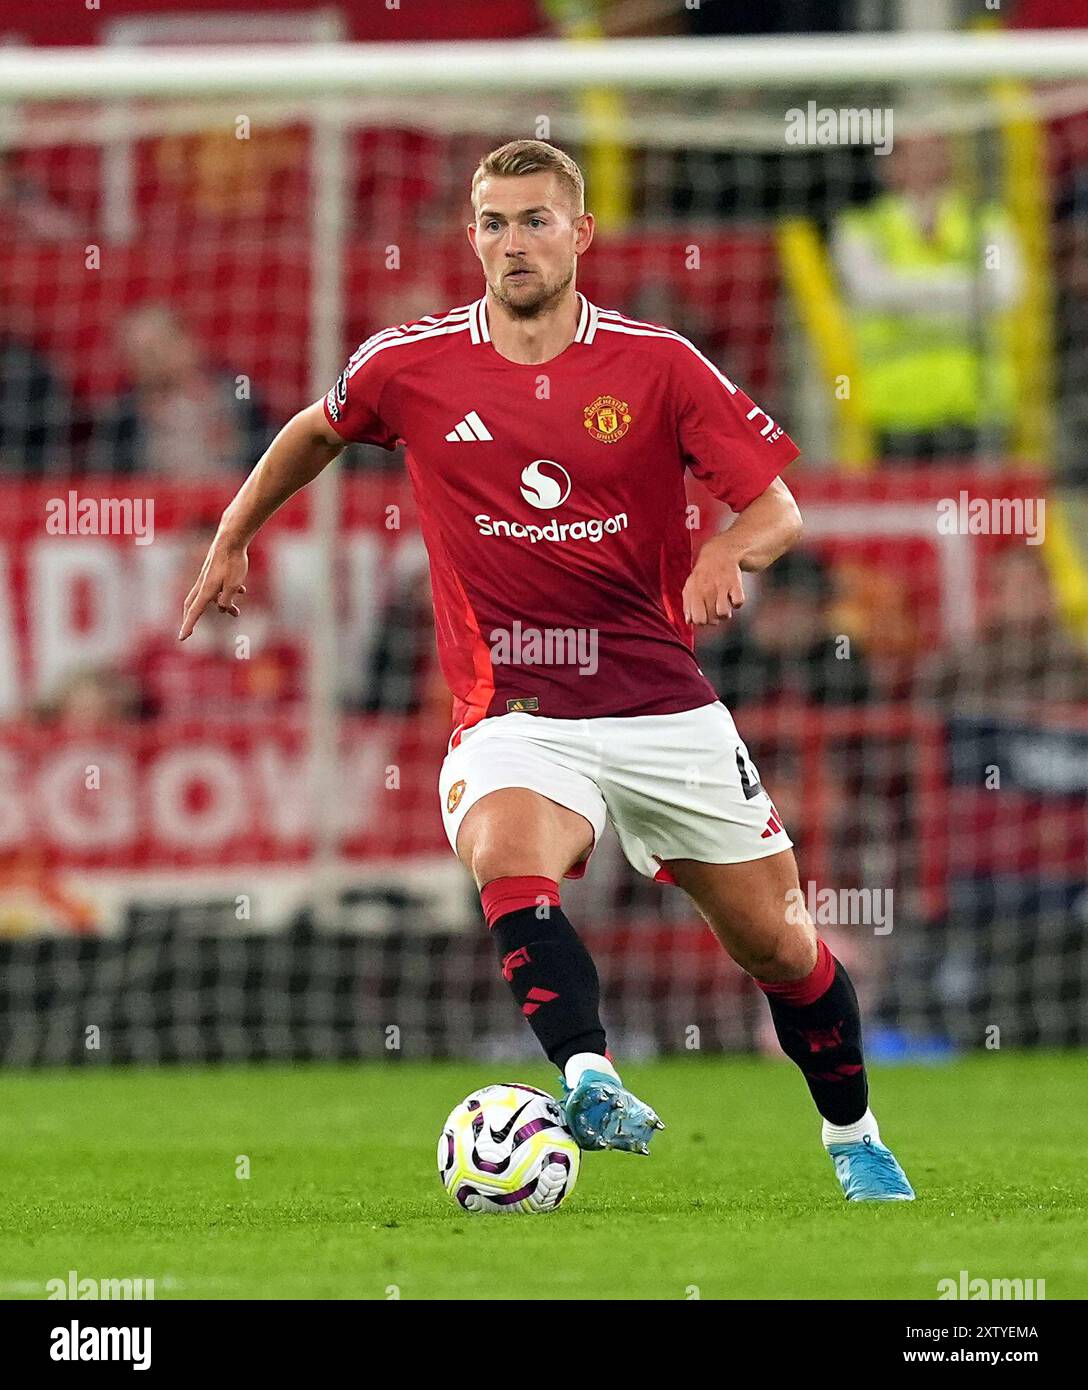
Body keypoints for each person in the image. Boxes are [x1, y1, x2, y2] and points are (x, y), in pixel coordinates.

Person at [179, 140, 913, 1202]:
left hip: (662, 703)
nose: (510, 242)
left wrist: (723, 551)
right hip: (514, 709)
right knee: (503, 857)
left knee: (778, 945)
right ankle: (587, 1070)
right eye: (491, 223)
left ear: (580, 234)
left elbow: (777, 506)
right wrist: (232, 536)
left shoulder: (656, 363)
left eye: (532, 220)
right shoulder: (410, 362)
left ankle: (853, 1138)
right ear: (470, 236)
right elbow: (314, 429)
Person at [832, 130, 1023, 462]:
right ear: (888, 164)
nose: (923, 162)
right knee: (906, 511)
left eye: (933, 149)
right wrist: (964, 285)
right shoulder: (862, 226)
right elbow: (870, 292)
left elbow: (1005, 291)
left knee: (975, 511)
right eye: (910, 153)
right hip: (895, 406)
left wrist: (908, 289)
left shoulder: (984, 218)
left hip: (978, 404)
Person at [88, 304, 273, 477]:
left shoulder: (237, 395)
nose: (151, 359)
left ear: (187, 342)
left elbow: (268, 459)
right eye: (138, 352)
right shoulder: (122, 419)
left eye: (157, 347)